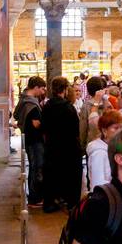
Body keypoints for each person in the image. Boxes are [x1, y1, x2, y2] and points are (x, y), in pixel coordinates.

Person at [41, 77, 82, 212]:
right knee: (71, 175)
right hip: (69, 147)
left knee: (52, 174)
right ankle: (71, 203)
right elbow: (76, 129)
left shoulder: (47, 106)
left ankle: (50, 202)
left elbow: (44, 127)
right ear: (65, 89)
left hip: (52, 146)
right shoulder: (68, 107)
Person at [13, 76, 46, 207]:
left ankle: (33, 195)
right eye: (42, 89)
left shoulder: (23, 100)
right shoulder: (31, 104)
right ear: (36, 87)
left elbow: (16, 116)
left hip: (28, 139)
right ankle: (35, 198)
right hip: (34, 141)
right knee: (36, 167)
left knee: (33, 166)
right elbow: (36, 124)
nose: (43, 92)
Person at [86, 110, 122, 190]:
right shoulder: (99, 153)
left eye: (121, 127)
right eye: (116, 128)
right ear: (104, 131)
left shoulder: (116, 146)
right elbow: (97, 184)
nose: (120, 131)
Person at [78, 76, 108, 148]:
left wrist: (82, 144)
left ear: (88, 90)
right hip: (107, 141)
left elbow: (83, 127)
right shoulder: (107, 103)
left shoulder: (86, 105)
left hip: (92, 142)